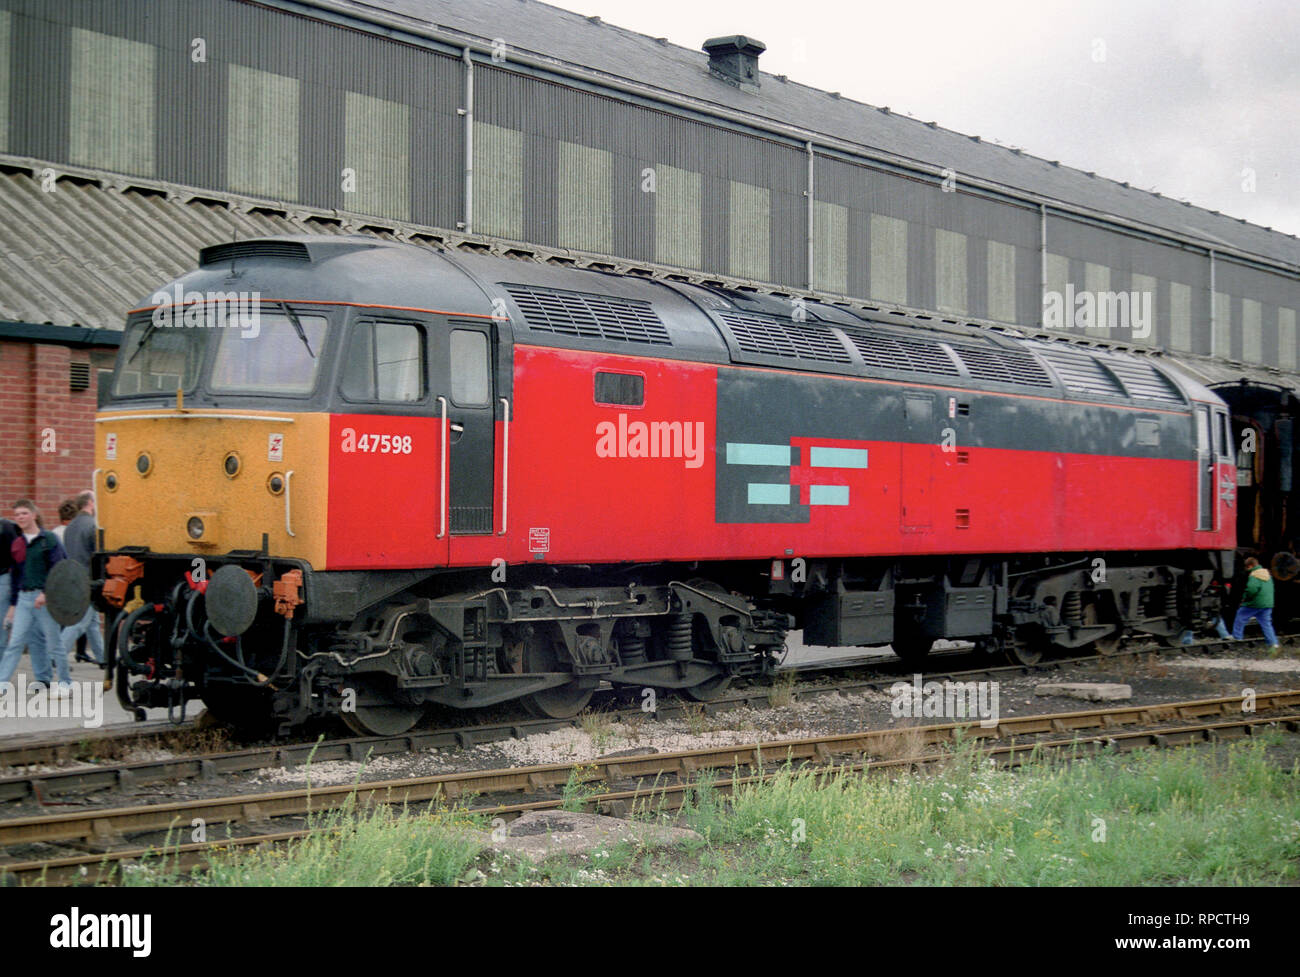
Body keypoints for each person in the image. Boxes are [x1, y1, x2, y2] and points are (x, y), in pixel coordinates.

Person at [0, 499, 71, 695]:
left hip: (44, 600)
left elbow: (59, 568)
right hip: (24, 599)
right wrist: (14, 605)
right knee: (15, 642)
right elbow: (16, 575)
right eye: (17, 515)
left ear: (34, 515)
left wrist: (46, 593)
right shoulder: (17, 543)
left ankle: (65, 683)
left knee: (54, 643)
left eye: (24, 513)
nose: (20, 517)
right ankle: (2, 683)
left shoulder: (48, 539)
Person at [59, 491, 103, 666]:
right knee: (80, 623)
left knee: (92, 622)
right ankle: (56, 655)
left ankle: (103, 658)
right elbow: (97, 555)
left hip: (74, 577)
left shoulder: (70, 526)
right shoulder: (92, 525)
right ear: (91, 503)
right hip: (88, 579)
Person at [1231, 556, 1281, 657]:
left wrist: (1245, 599)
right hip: (1267, 604)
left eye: (1247, 568)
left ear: (1250, 566)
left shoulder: (1254, 575)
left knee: (1240, 617)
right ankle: (1274, 644)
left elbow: (1251, 589)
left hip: (1255, 603)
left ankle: (1237, 638)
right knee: (1266, 624)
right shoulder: (1267, 574)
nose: (1246, 570)